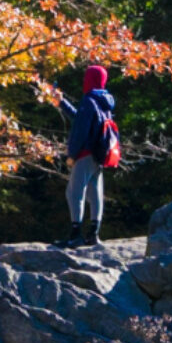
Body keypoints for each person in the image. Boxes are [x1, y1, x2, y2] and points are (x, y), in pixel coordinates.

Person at [51, 64, 119, 248]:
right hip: (100, 154)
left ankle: (75, 234)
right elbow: (81, 118)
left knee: (73, 192)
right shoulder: (105, 101)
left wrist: (72, 154)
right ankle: (93, 234)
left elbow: (80, 130)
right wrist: (62, 103)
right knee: (95, 191)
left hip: (85, 153)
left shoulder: (89, 99)